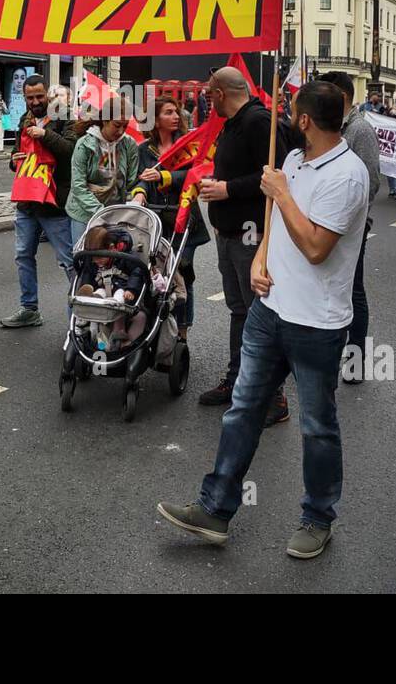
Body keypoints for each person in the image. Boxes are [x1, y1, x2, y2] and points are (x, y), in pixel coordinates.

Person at [157, 81, 369, 560]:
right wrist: (260, 259)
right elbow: (274, 220)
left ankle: (318, 518)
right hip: (269, 312)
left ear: (307, 121)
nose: (289, 119)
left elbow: (317, 247)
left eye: (293, 113)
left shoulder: (348, 176)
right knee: (243, 410)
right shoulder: (293, 161)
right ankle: (215, 510)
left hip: (316, 323)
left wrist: (281, 194)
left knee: (317, 426)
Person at [196, 66, 292, 425]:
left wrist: (226, 189)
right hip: (229, 232)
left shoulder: (257, 122)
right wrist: (216, 184)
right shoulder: (233, 123)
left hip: (251, 235)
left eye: (209, 94)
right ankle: (238, 379)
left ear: (220, 92)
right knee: (240, 311)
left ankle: (274, 396)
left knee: (260, 315)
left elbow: (277, 175)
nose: (208, 100)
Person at [317, 71, 381, 386]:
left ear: (341, 97)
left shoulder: (360, 130)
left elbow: (371, 181)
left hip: (349, 228)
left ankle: (355, 359)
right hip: (322, 226)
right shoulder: (329, 127)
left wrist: (348, 219)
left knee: (352, 291)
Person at [1, 74, 80, 329]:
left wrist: (44, 134)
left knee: (68, 261)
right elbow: (17, 152)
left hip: (54, 203)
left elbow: (70, 151)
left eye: (39, 96)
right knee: (23, 255)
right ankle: (29, 309)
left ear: (49, 95)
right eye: (29, 97)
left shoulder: (64, 117)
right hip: (27, 202)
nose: (35, 101)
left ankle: (81, 312)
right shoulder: (24, 119)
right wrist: (13, 161)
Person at [135, 96, 209, 338]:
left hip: (185, 219)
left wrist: (165, 177)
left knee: (182, 273)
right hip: (157, 221)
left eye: (176, 112)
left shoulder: (188, 145)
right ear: (155, 120)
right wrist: (138, 194)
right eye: (168, 112)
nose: (176, 116)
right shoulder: (144, 149)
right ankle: (158, 326)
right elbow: (140, 178)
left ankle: (183, 331)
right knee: (159, 275)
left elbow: (194, 174)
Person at [65, 97, 143, 244]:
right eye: (117, 125)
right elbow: (78, 186)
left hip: (115, 213)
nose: (121, 131)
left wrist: (133, 200)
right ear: (105, 120)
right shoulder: (84, 145)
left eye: (125, 126)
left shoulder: (129, 144)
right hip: (84, 213)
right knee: (85, 259)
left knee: (111, 260)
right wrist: (100, 211)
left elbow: (133, 181)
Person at [76, 225, 150, 349]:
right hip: (102, 297)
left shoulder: (124, 257)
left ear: (111, 248)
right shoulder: (92, 260)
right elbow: (88, 274)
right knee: (98, 297)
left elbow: (137, 272)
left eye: (99, 258)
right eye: (93, 258)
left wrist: (131, 289)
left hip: (121, 291)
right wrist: (85, 287)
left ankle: (118, 333)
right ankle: (102, 348)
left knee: (120, 295)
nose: (96, 261)